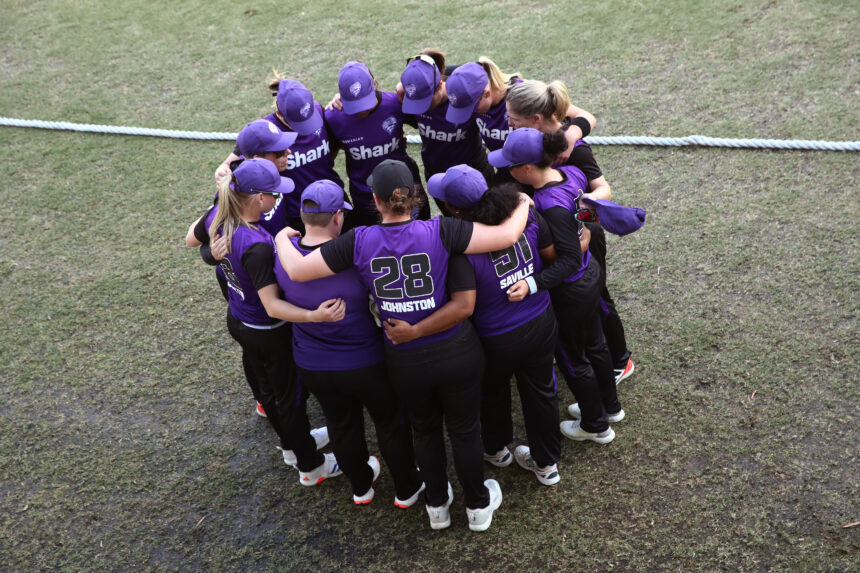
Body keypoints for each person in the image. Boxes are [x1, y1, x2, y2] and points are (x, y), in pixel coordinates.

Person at [276, 159, 532, 531]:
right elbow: (508, 236)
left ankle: (436, 508)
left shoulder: (359, 239)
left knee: (424, 429)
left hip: (404, 358)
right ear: (414, 196)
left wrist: (283, 237)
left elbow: (297, 270)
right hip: (455, 349)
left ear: (375, 200)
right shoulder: (441, 229)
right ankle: (477, 506)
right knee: (464, 429)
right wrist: (523, 203)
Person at [185, 158, 344, 484]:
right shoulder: (256, 244)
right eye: (274, 194)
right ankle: (311, 466)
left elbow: (192, 239)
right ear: (259, 198)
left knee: (270, 392)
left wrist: (210, 256)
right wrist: (314, 316)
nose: (277, 200)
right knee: (291, 398)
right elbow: (273, 307)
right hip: (266, 330)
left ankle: (292, 445)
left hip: (239, 319)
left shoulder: (219, 211)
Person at [274, 179, 424, 506]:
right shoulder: (356, 257)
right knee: (389, 423)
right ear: (339, 217)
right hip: (365, 361)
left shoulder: (284, 258)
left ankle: (360, 487)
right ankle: (407, 488)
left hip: (314, 364)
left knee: (340, 423)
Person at [426, 165, 563, 485]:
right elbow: (552, 256)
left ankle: (495, 448)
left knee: (491, 390)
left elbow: (461, 301)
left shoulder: (457, 245)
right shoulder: (524, 216)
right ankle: (547, 464)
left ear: (452, 207)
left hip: (495, 335)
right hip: (540, 319)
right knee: (542, 391)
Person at [489, 128, 623, 444]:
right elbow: (588, 211)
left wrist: (532, 283)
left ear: (525, 169)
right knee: (596, 344)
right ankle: (611, 405)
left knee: (572, 358)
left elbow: (567, 262)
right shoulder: (572, 172)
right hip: (590, 276)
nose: (506, 169)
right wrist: (585, 233)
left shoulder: (548, 204)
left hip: (572, 288)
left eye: (510, 164)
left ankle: (596, 424)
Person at [506, 79, 634, 383]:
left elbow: (604, 190)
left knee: (598, 297)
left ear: (536, 119)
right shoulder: (532, 141)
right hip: (563, 232)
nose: (508, 124)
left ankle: (620, 360)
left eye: (513, 119)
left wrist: (574, 213)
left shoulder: (570, 149)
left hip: (582, 232)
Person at [213, 77, 345, 234]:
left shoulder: (315, 110)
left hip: (337, 201)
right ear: (279, 113)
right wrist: (222, 169)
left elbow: (334, 144)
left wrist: (338, 101)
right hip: (301, 216)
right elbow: (234, 161)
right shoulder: (264, 133)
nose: (306, 128)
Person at [324, 61, 429, 226]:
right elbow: (328, 158)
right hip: (367, 201)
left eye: (365, 102)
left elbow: (427, 119)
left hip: (406, 193)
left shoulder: (395, 104)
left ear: (374, 83)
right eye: (354, 106)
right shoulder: (334, 118)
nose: (361, 111)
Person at [399, 51, 494, 214]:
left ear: (441, 86)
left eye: (425, 101)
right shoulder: (415, 98)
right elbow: (396, 94)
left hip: (474, 177)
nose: (420, 108)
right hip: (439, 178)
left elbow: (493, 84)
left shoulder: (463, 91)